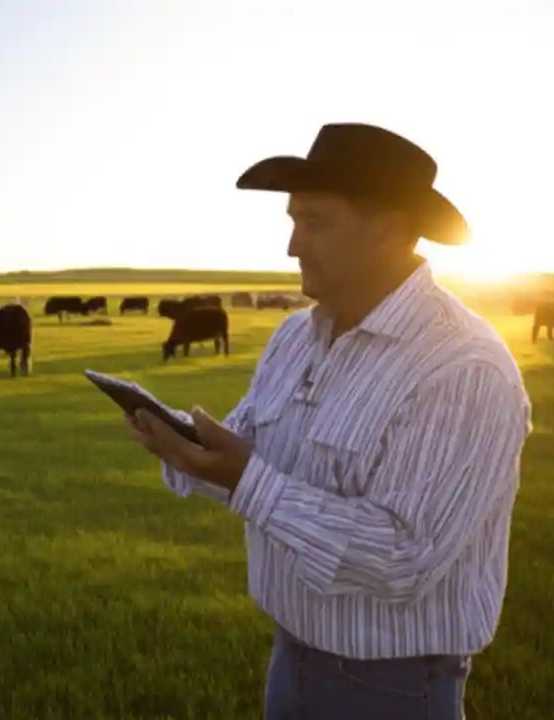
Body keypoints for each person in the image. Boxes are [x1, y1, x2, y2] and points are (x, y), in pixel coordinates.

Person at [125, 123, 531, 719]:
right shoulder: (296, 336)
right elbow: (249, 451)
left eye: (314, 223)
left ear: (388, 232)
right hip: (290, 659)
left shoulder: (462, 368)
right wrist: (187, 452)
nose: (292, 246)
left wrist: (245, 480)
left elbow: (404, 556)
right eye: (292, 221)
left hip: (393, 687)